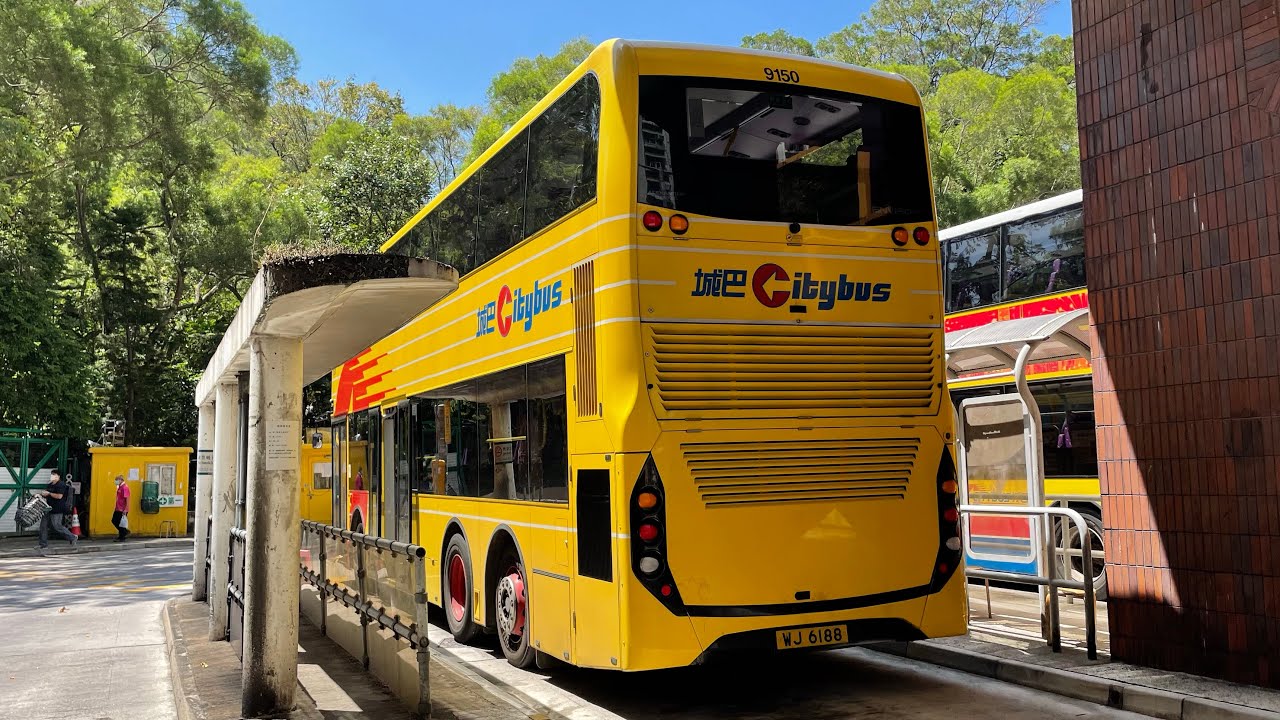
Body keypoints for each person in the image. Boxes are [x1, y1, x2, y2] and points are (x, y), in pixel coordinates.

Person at [38, 469, 77, 550]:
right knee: (43, 526)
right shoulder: (50, 485)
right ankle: (43, 544)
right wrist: (41, 494)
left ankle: (72, 537)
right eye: (51, 474)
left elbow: (59, 496)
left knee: (57, 526)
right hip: (47, 507)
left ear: (58, 476)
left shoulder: (61, 485)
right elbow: (46, 494)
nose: (52, 476)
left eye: (54, 474)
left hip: (57, 508)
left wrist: (49, 493)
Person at [111, 474, 132, 542]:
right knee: (114, 521)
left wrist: (126, 509)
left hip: (122, 509)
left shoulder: (125, 487)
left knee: (120, 523)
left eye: (117, 480)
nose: (116, 481)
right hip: (118, 508)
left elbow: (127, 499)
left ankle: (122, 536)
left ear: (121, 480)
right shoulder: (120, 487)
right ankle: (124, 533)